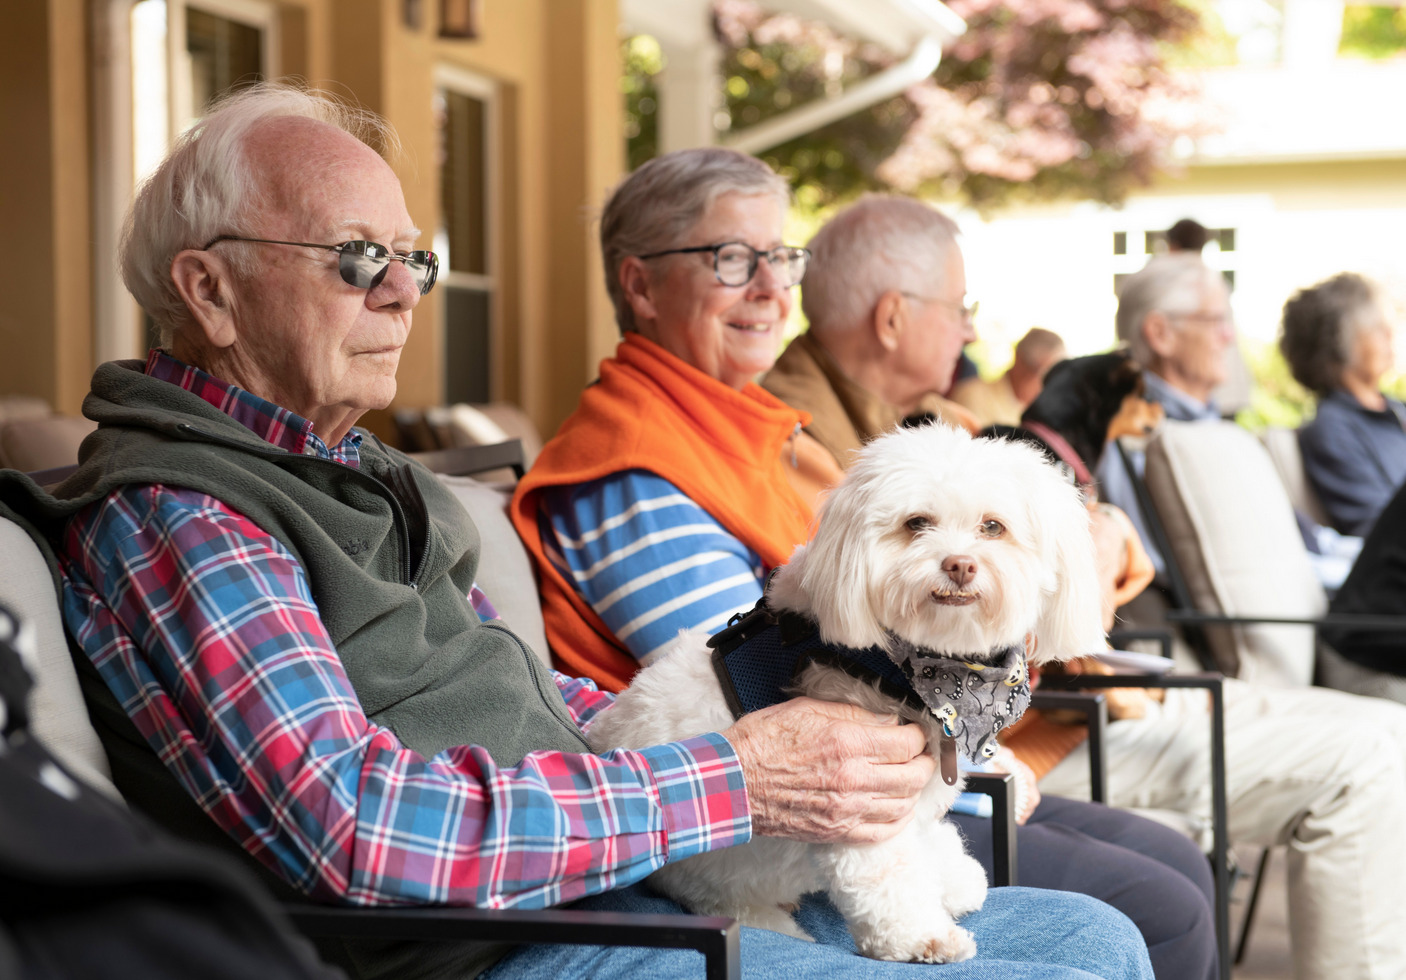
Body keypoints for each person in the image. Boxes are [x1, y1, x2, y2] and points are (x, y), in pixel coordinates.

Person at [0, 85, 1151, 980]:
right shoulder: (189, 514)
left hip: (596, 885)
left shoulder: (354, 471)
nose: (403, 292)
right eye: (359, 258)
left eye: (414, 259)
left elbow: (523, 692)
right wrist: (728, 777)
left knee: (1094, 932)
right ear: (208, 291)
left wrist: (729, 721)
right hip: (478, 950)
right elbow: (355, 828)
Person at [507, 159, 1171, 978]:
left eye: (780, 259)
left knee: (1144, 884)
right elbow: (785, 692)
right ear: (641, 287)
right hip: (760, 821)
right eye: (730, 260)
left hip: (894, 782)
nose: (770, 291)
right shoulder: (631, 470)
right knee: (1155, 903)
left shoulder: (753, 430)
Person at [761, 195, 1213, 980]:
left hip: (967, 731)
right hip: (881, 768)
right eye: (961, 309)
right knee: (1163, 903)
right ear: (894, 318)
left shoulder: (936, 424)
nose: (971, 331)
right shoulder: (805, 449)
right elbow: (793, 673)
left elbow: (1094, 549)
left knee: (1174, 864)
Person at [1066, 252, 1406, 980]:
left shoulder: (1216, 429)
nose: (1232, 336)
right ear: (1159, 332)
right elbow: (1136, 575)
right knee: (1367, 761)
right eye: (1216, 321)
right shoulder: (1133, 432)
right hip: (1160, 672)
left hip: (1233, 653)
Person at [1279, 272, 1406, 537]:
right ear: (1341, 344)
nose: (1389, 334)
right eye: (1375, 327)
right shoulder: (1332, 429)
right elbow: (1381, 530)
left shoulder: (1394, 408)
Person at [949, 327, 1067, 428]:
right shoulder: (973, 395)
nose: (1051, 385)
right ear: (1019, 362)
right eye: (1045, 374)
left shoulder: (1049, 412)